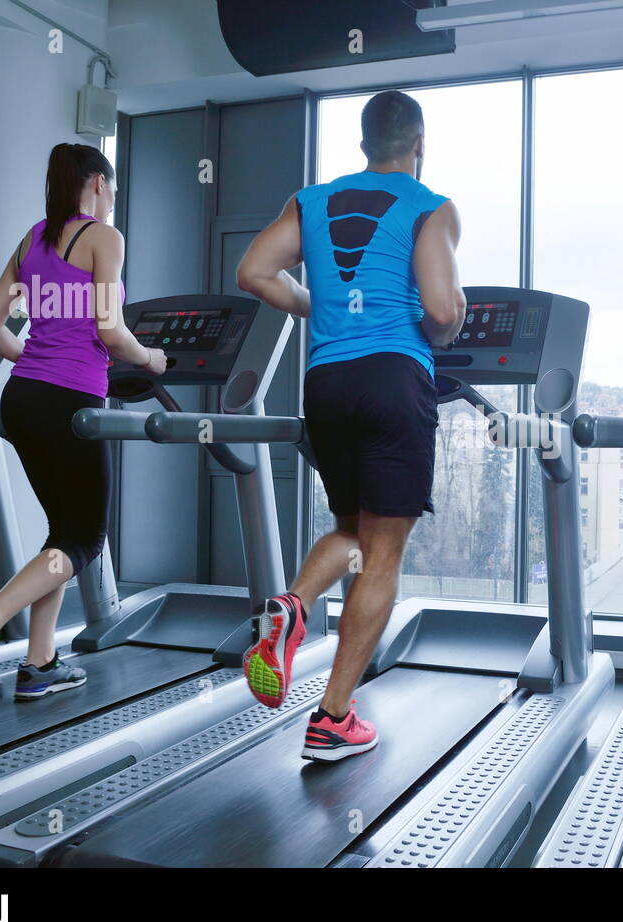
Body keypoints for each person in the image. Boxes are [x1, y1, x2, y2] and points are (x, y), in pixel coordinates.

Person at [236, 90, 465, 761]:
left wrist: (318, 307)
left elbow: (252, 271)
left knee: (350, 531)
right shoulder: (431, 208)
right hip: (395, 377)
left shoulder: (310, 200)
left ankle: (291, 605)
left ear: (365, 143)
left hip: (327, 383)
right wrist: (451, 316)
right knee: (384, 549)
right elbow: (440, 308)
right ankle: (333, 715)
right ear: (418, 144)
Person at [0, 143, 167, 704]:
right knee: (87, 538)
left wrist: (36, 364)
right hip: (72, 405)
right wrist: (150, 359)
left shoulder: (32, 239)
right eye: (110, 189)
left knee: (62, 533)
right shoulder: (104, 238)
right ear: (96, 183)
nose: (112, 200)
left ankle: (40, 661)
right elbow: (111, 332)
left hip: (24, 399)